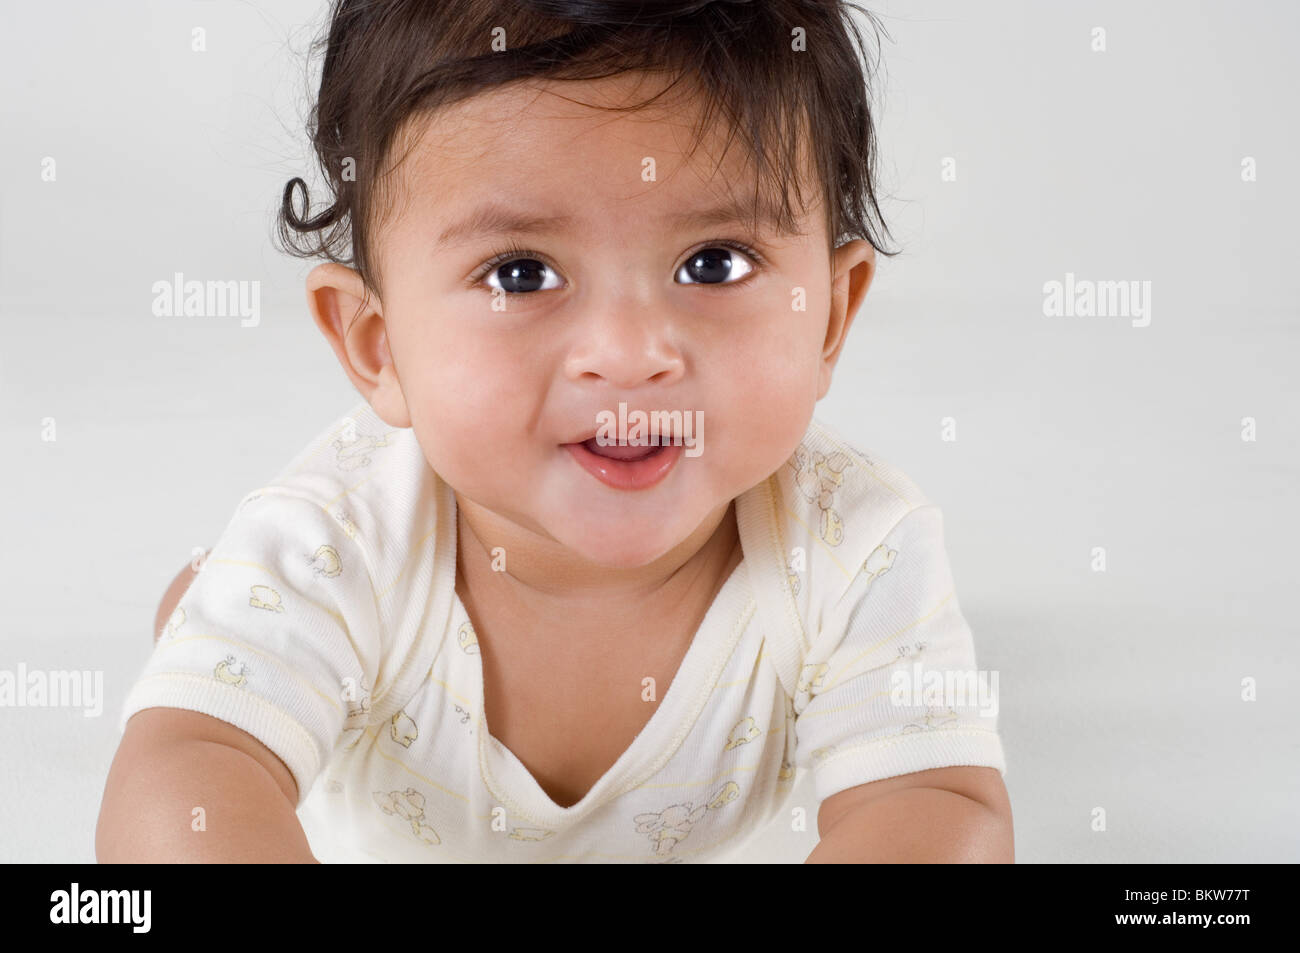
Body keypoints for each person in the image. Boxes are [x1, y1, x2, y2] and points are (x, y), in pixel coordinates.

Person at [98, 0, 1012, 863]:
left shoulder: (856, 547)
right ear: (377, 346)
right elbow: (184, 770)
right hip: (332, 625)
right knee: (240, 631)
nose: (629, 354)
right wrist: (215, 739)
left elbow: (937, 806)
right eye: (523, 274)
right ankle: (221, 619)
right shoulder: (338, 542)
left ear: (829, 318)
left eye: (713, 262)